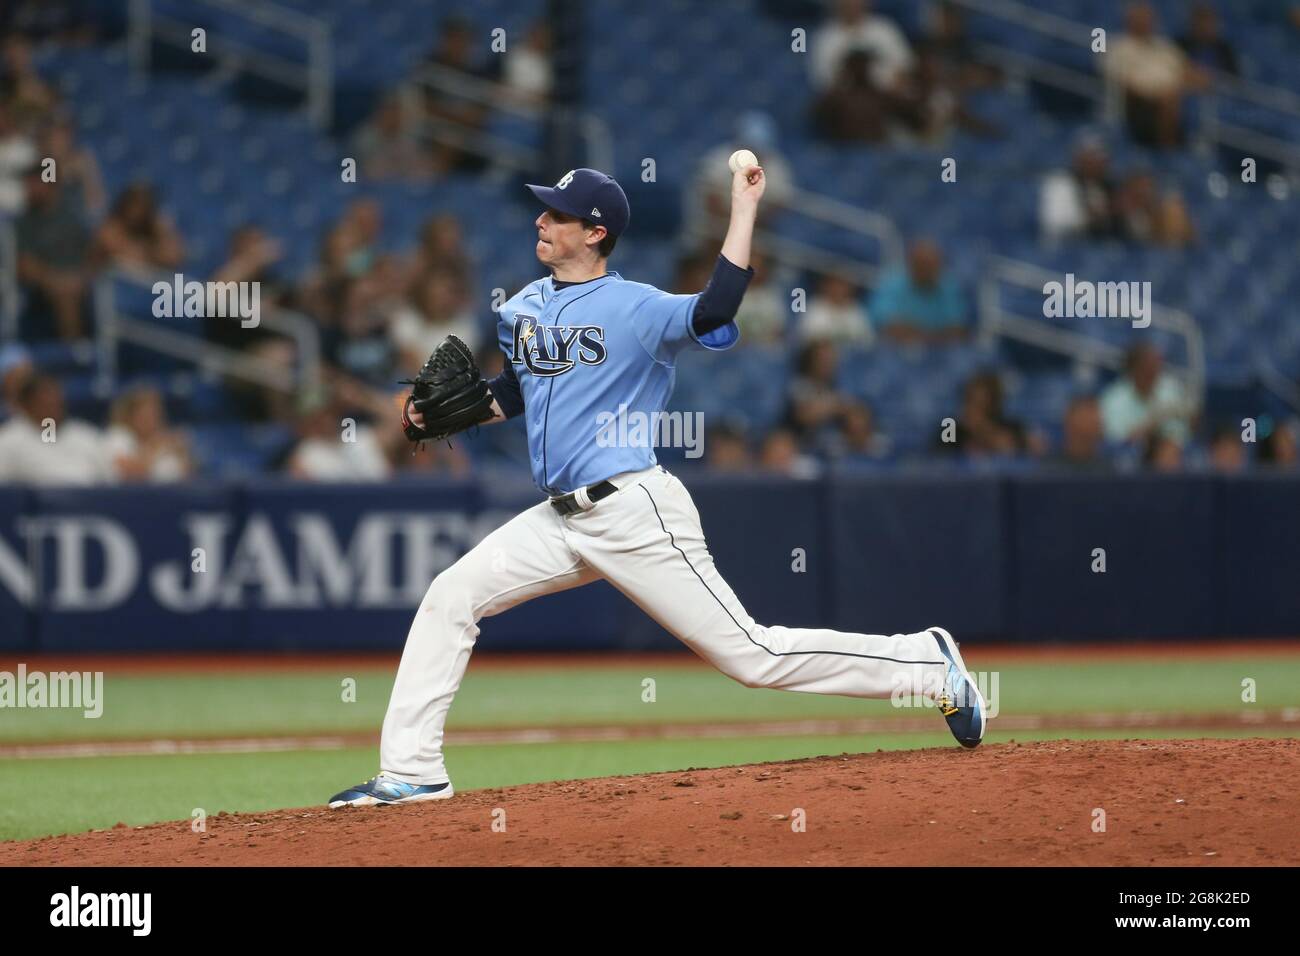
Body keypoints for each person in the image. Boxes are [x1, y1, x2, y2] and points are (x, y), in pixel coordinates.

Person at [328, 163, 987, 808]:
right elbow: (512, 393)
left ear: (594, 232)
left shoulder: (638, 307)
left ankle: (928, 664)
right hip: (560, 520)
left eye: (556, 213)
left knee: (752, 657)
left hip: (634, 509)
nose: (540, 218)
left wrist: (743, 206)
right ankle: (413, 773)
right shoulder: (524, 305)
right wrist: (443, 412)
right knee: (451, 596)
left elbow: (717, 307)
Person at [1101, 2, 1207, 148]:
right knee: (1168, 101)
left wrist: (1178, 89)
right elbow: (1126, 85)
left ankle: (1185, 145)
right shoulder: (1119, 47)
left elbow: (1192, 73)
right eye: (1140, 18)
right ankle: (1167, 145)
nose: (1145, 22)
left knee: (1193, 99)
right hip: (1138, 107)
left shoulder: (1163, 46)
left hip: (1175, 101)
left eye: (1148, 18)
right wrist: (1160, 94)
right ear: (1129, 21)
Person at [0, 374, 109, 484]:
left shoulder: (86, 435)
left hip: (88, 499)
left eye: (55, 399)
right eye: (44, 400)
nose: (52, 403)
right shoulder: (8, 439)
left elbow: (109, 480)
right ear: (27, 404)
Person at [868, 239, 968, 344]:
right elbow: (886, 326)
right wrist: (935, 335)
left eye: (932, 265)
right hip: (896, 351)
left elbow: (958, 330)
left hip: (941, 353)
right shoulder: (890, 283)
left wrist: (917, 334)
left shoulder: (949, 286)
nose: (927, 270)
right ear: (911, 263)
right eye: (922, 265)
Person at [1099, 344, 1192, 447]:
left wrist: (1188, 416)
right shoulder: (1113, 400)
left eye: (1156, 368)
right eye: (1148, 369)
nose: (1153, 374)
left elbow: (1192, 422)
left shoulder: (1169, 387)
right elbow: (1118, 444)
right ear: (1133, 370)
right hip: (1133, 459)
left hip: (1176, 451)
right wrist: (1154, 421)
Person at [810, 0, 913, 94]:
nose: (852, 4)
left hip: (887, 96)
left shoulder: (884, 29)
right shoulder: (824, 38)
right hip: (847, 101)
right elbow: (823, 82)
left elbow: (905, 67)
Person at [1039, 136, 1121, 241]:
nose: (1097, 164)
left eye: (1101, 159)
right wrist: (1087, 217)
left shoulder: (1109, 187)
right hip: (1063, 247)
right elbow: (1053, 222)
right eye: (1092, 157)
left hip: (1098, 247)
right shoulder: (1060, 182)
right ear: (1079, 159)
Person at [104, 385, 192, 482]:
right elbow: (128, 470)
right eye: (145, 414)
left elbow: (186, 477)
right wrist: (156, 448)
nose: (151, 419)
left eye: (154, 413)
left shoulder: (163, 440)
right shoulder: (119, 435)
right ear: (130, 415)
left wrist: (182, 453)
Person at [798, 273, 873, 345]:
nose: (838, 289)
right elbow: (806, 340)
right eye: (834, 285)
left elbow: (866, 342)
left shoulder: (857, 310)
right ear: (826, 286)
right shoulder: (815, 306)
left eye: (843, 285)